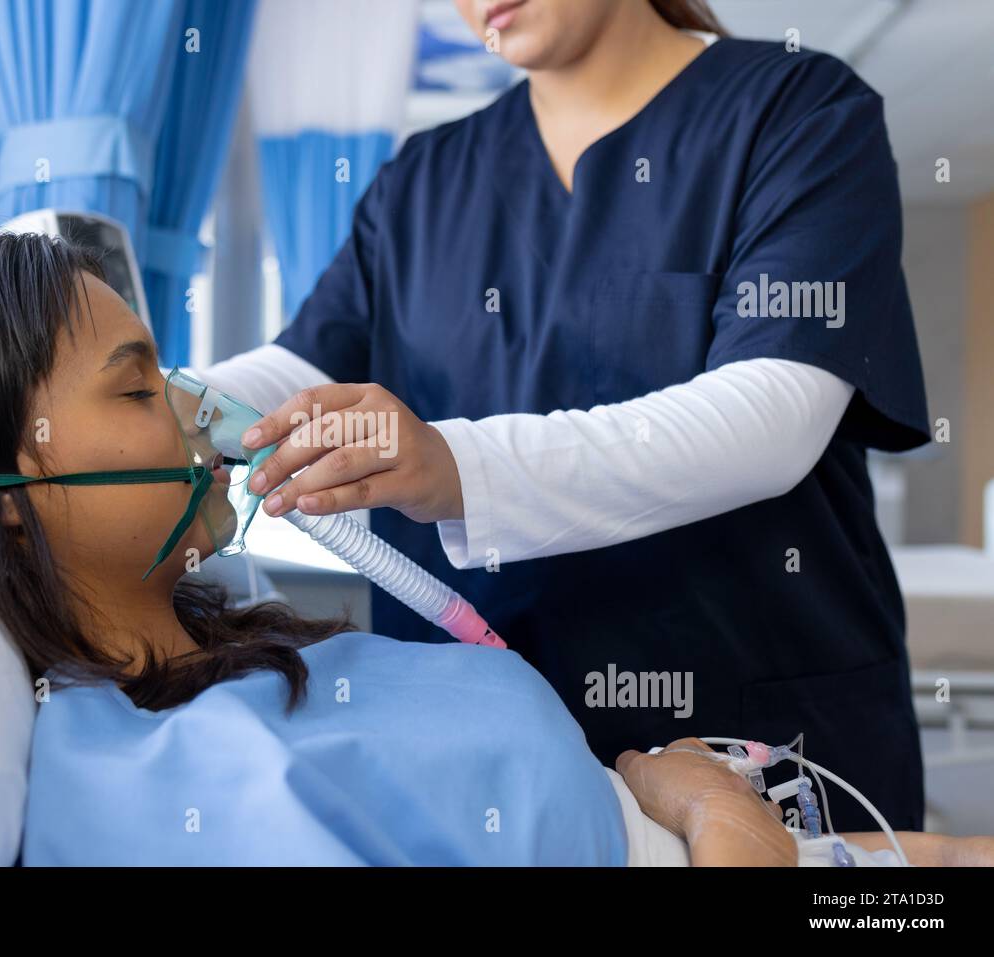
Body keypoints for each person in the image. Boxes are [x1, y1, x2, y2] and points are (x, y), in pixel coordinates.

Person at [0, 235, 987, 867]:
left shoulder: (226, 657)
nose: (201, 404)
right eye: (140, 385)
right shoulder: (161, 794)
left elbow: (774, 414)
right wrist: (721, 821)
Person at [199, 0, 930, 832]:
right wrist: (169, 396)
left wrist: (455, 466)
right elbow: (304, 368)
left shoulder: (799, 111)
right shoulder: (423, 179)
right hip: (490, 757)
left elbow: (775, 415)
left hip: (755, 718)